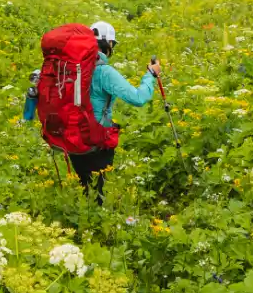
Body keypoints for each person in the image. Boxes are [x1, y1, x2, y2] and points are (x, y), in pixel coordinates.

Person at [23, 21, 159, 203]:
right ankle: (94, 225)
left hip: (70, 137)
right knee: (99, 195)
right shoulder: (104, 72)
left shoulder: (65, 68)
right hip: (96, 140)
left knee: (85, 188)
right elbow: (138, 98)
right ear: (108, 44)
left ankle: (83, 219)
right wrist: (151, 75)